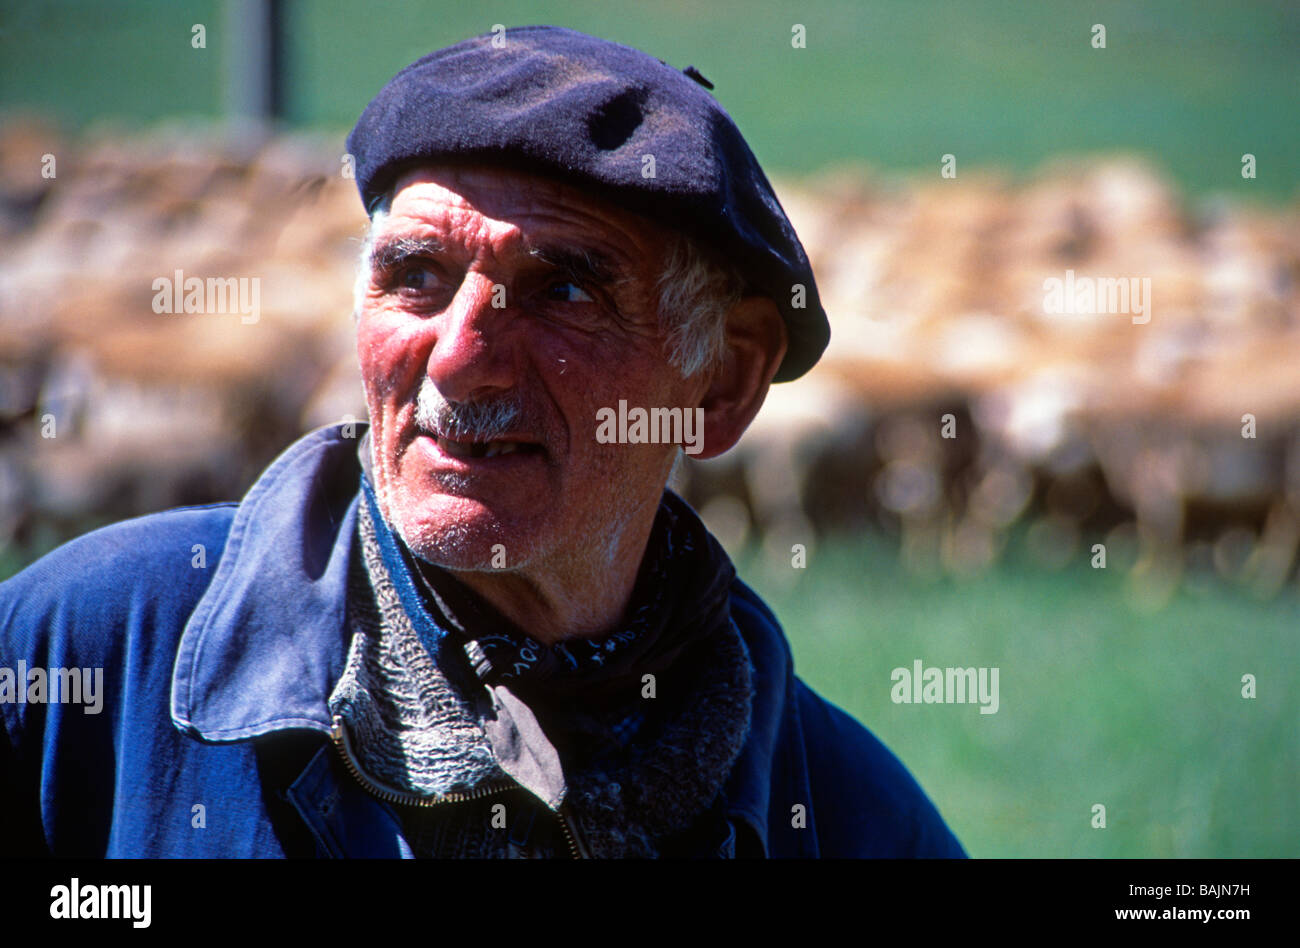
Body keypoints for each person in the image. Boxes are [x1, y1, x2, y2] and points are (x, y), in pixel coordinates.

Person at [0, 25, 965, 858]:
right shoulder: (86, 661)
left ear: (721, 381)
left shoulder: (846, 820)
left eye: (565, 291)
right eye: (416, 274)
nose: (461, 359)